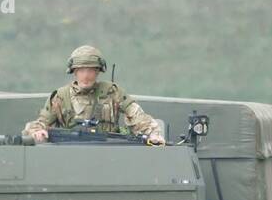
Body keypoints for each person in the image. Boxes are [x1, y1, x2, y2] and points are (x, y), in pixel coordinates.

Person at [22, 46, 165, 145]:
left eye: (90, 70)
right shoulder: (60, 97)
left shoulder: (112, 92)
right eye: (81, 70)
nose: (86, 75)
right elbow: (41, 122)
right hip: (69, 152)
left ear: (98, 72)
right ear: (74, 72)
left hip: (108, 149)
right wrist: (37, 131)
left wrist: (152, 133)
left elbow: (137, 115)